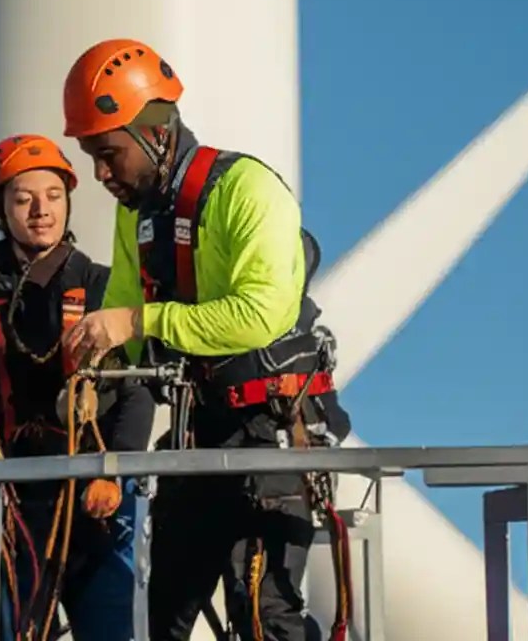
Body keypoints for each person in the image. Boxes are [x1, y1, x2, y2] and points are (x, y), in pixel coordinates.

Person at [58, 39, 353, 641]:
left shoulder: (248, 189)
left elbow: (261, 314)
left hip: (271, 433)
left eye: (109, 155)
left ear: (155, 134)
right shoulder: (137, 213)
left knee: (265, 618)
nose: (101, 175)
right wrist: (94, 376)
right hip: (200, 433)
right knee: (162, 616)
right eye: (92, 157)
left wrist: (138, 324)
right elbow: (126, 319)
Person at [0, 133, 157, 641]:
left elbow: (136, 389)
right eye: (24, 198)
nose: (41, 211)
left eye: (53, 196)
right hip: (13, 503)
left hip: (95, 498)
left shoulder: (103, 286)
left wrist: (115, 471)